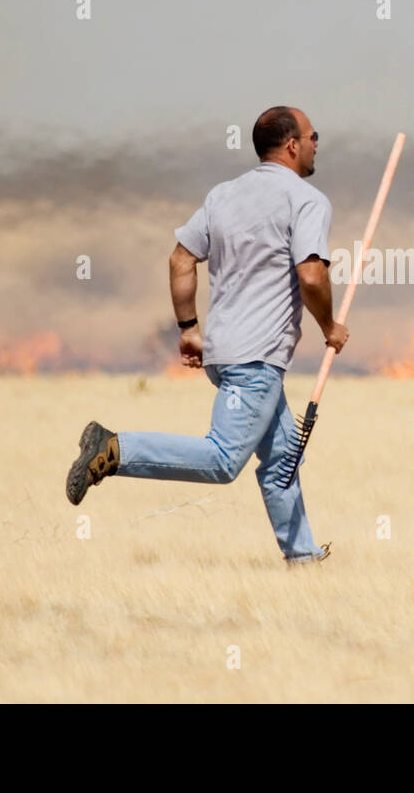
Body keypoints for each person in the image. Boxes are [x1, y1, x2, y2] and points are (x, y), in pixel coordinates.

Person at [65, 106, 348, 566]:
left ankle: (303, 561)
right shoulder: (307, 199)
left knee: (280, 464)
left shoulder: (223, 195)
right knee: (222, 461)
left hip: (225, 353)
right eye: (315, 136)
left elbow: (180, 259)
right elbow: (312, 276)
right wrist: (329, 328)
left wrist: (189, 330)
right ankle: (114, 449)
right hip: (255, 359)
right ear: (293, 145)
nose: (319, 144)